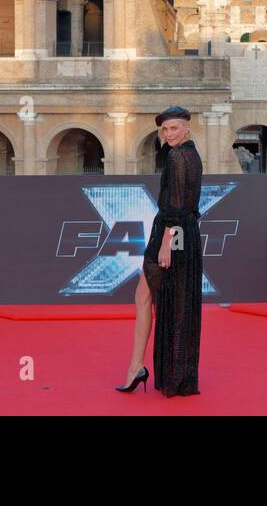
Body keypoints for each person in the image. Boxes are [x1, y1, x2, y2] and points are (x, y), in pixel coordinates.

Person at [116, 105, 204, 397]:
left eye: (174, 128)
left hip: (171, 234)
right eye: (165, 130)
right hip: (182, 232)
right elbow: (187, 205)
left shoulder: (178, 156)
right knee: (156, 299)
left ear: (187, 128)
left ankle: (140, 369)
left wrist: (166, 243)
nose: (169, 134)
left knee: (153, 299)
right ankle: (142, 368)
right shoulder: (190, 154)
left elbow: (175, 207)